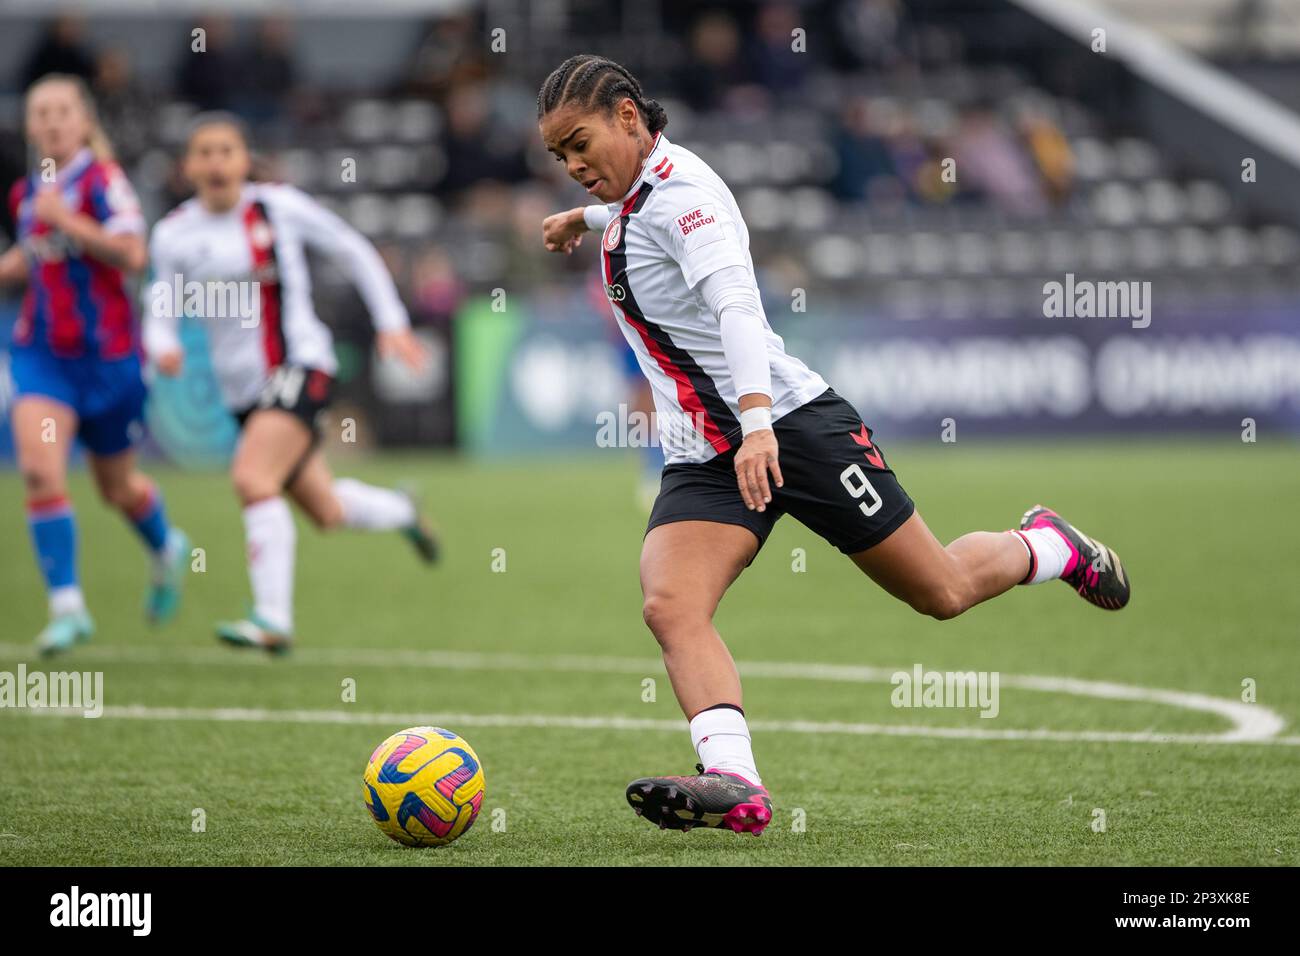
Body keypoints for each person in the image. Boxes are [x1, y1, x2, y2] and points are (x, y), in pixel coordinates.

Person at [537, 55, 1130, 835]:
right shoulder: (639, 195)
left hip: (790, 428)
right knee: (671, 604)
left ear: (626, 116)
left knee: (942, 591)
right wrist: (580, 220)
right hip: (709, 452)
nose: (573, 165)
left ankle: (1050, 545)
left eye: (579, 144)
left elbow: (736, 306)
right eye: (559, 156)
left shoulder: (685, 201)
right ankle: (735, 781)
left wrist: (757, 424)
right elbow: (635, 219)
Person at [144, 113, 438, 654]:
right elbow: (159, 304)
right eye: (204, 153)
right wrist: (160, 344)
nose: (215, 162)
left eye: (226, 150)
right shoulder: (173, 234)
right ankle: (403, 510)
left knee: (252, 478)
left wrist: (391, 321)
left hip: (300, 365)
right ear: (188, 166)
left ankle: (272, 620)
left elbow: (351, 248)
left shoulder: (278, 207)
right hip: (242, 394)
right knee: (326, 511)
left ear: (244, 159)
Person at [0, 74, 189, 655]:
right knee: (40, 470)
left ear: (84, 121)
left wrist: (67, 221)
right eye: (42, 113)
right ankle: (67, 607)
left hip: (109, 360)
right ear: (30, 127)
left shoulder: (104, 181)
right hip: (43, 357)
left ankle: (166, 547)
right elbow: (33, 258)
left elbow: (133, 254)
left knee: (117, 488)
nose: (53, 122)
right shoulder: (27, 192)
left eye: (63, 111)